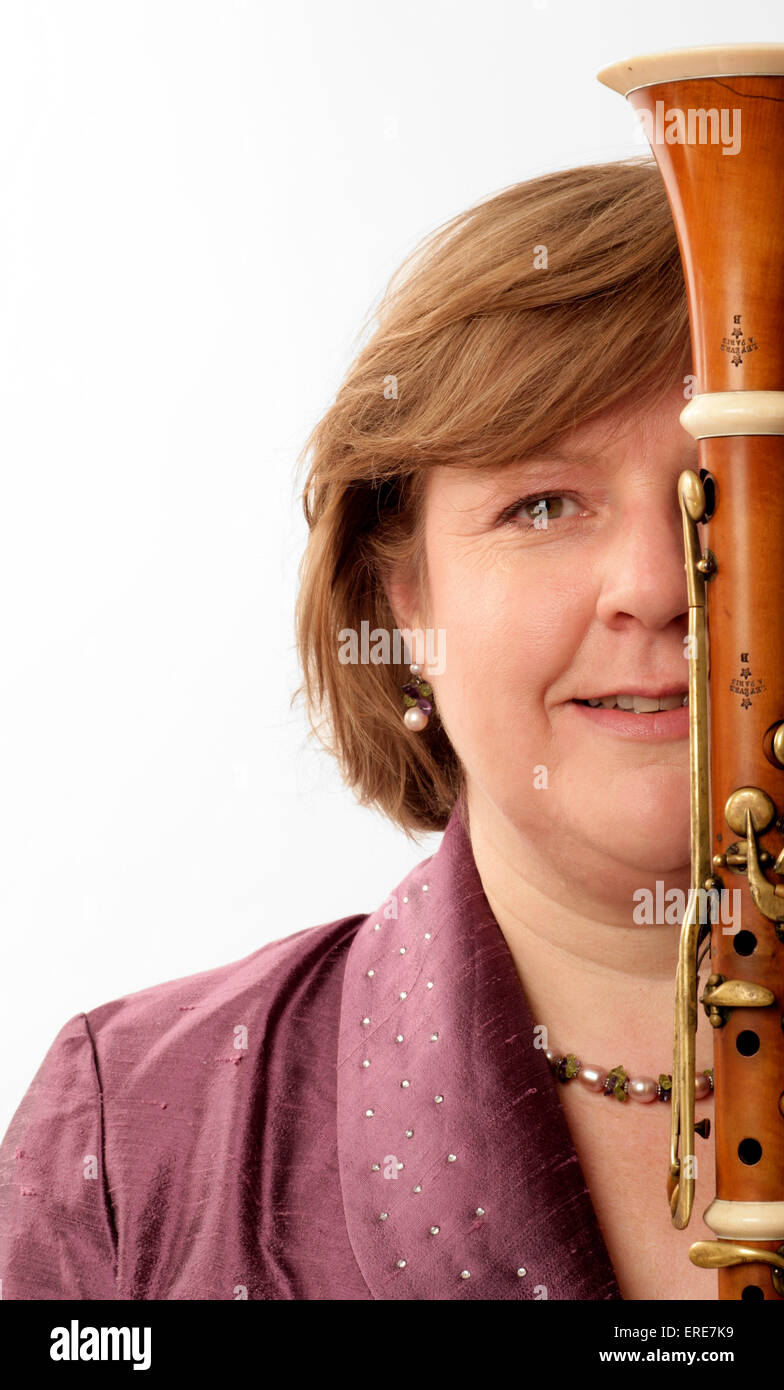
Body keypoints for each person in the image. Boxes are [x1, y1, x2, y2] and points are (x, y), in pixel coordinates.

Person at [0, 157, 719, 1301]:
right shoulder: (128, 1139)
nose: (652, 583)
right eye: (541, 504)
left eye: (737, 486)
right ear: (405, 602)